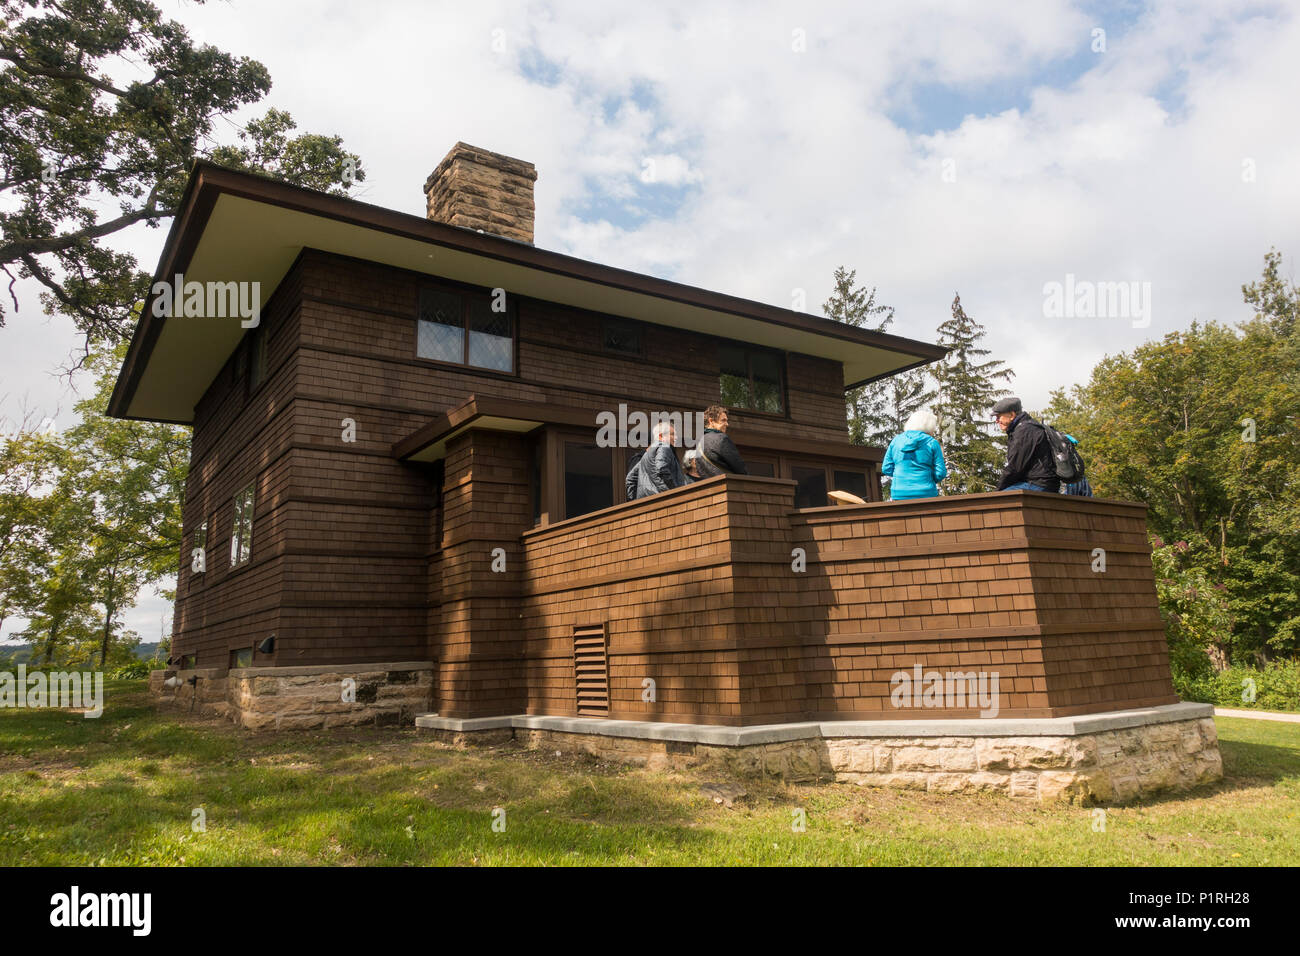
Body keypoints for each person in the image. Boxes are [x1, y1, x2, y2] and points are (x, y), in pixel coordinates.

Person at [992, 397, 1060, 493]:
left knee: (995, 501)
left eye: (999, 417)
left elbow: (1014, 468)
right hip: (1042, 483)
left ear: (1012, 415)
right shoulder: (1028, 427)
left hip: (1038, 484)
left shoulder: (1024, 432)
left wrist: (997, 490)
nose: (997, 420)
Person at [881, 409, 948, 500]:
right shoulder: (932, 443)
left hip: (899, 494)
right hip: (926, 492)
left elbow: (886, 468)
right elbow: (940, 473)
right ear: (929, 427)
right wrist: (928, 479)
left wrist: (902, 475)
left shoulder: (896, 441)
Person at [629, 420, 687, 499]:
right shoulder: (665, 447)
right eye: (672, 434)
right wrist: (674, 490)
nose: (676, 437)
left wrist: (634, 500)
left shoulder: (646, 455)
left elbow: (630, 478)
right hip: (664, 499)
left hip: (647, 503)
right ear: (661, 436)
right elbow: (662, 468)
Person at [692, 405, 748, 478]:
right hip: (728, 486)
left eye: (726, 421)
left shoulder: (699, 444)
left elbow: (700, 471)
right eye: (723, 420)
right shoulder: (721, 438)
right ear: (711, 421)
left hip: (709, 488)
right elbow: (739, 467)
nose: (727, 424)